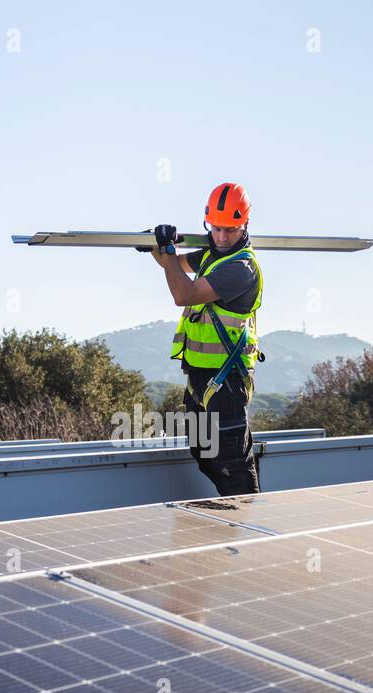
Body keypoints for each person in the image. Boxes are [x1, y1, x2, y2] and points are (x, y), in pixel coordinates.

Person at [149, 182, 262, 496]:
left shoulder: (240, 268)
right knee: (205, 456)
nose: (222, 237)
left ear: (245, 225)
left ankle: (249, 529)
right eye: (216, 229)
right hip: (200, 378)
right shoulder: (214, 255)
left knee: (233, 466)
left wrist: (168, 252)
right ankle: (234, 516)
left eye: (230, 230)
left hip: (226, 383)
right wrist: (156, 247)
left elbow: (182, 293)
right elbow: (173, 265)